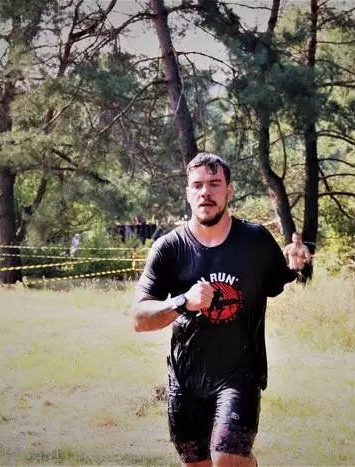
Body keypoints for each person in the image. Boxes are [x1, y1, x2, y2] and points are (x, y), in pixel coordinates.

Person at [132, 152, 296, 466]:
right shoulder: (169, 248)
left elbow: (282, 283)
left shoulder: (255, 241)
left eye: (214, 184)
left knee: (227, 459)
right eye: (197, 185)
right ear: (188, 193)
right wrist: (183, 302)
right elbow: (139, 319)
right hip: (186, 378)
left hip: (240, 373)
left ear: (228, 191)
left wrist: (299, 264)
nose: (205, 192)